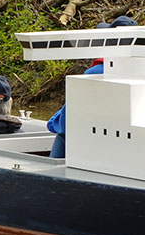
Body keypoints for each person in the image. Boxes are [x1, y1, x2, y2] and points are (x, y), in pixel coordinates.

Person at [47, 15, 138, 158]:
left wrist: (53, 122)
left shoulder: (95, 73)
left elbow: (66, 122)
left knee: (62, 135)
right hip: (124, 142)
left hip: (99, 139)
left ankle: (49, 176)